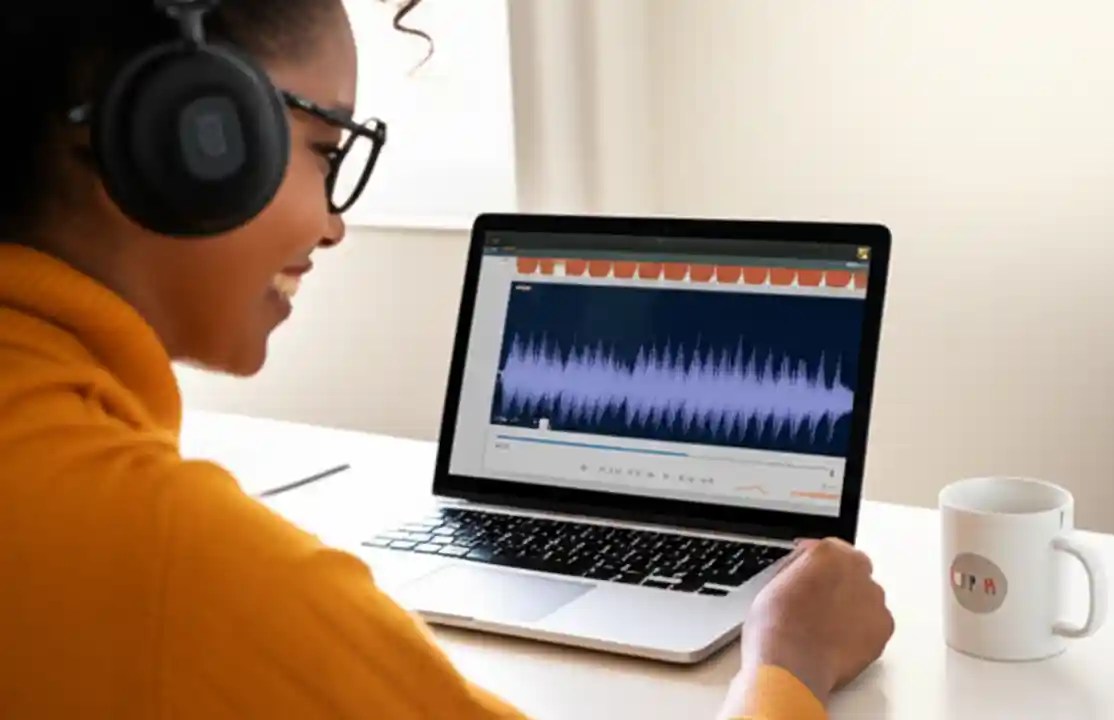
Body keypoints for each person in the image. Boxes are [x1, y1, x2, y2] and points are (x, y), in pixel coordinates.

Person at [0, 1, 895, 718]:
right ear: (187, 132)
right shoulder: (182, 564)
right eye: (324, 151)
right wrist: (789, 666)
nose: (333, 224)